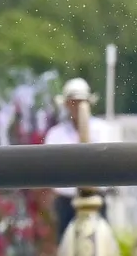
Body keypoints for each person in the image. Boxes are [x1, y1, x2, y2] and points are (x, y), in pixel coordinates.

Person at [41, 79, 105, 243]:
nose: (77, 106)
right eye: (73, 102)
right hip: (67, 201)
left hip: (97, 198)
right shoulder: (56, 135)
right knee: (67, 244)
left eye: (81, 102)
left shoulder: (103, 130)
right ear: (67, 104)